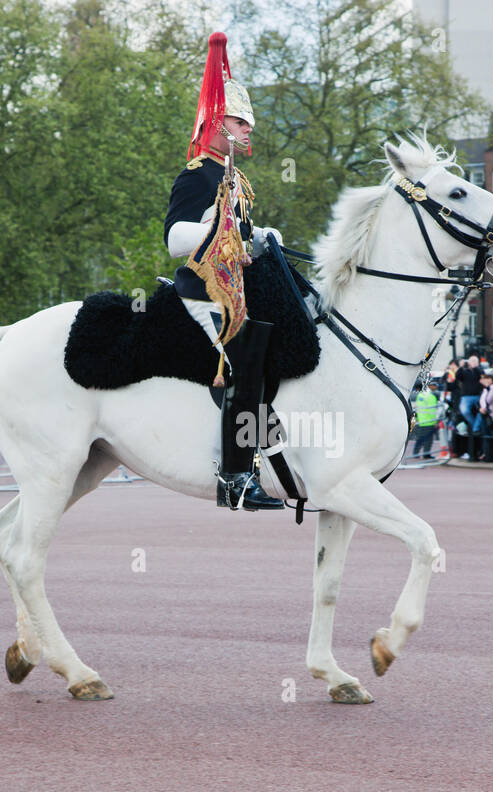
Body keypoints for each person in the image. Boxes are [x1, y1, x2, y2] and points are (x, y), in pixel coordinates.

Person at [164, 32, 283, 510]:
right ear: (216, 123)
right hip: (204, 295)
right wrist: (218, 232)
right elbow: (175, 240)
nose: (249, 130)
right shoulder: (199, 175)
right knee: (244, 359)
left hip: (237, 291)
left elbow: (239, 242)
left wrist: (261, 238)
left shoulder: (235, 180)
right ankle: (235, 476)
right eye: (240, 120)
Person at [410, 382, 440, 459]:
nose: (436, 388)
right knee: (429, 439)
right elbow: (432, 411)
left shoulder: (420, 395)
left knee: (420, 438)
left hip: (421, 420)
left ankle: (415, 453)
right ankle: (426, 454)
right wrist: (435, 421)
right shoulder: (431, 397)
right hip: (429, 421)